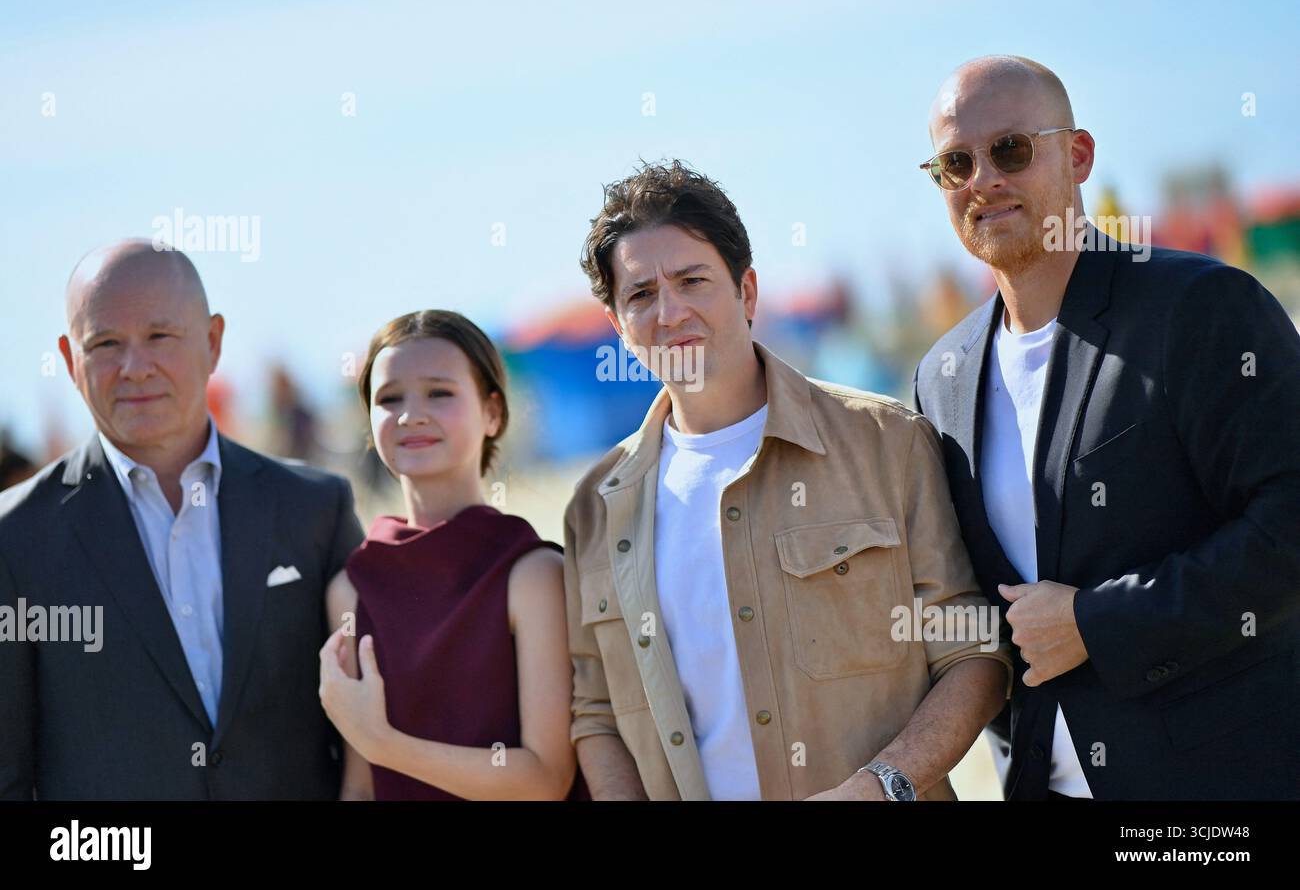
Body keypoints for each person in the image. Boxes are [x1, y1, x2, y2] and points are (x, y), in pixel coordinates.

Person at [913, 56, 1300, 799]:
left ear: (1078, 154)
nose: (982, 179)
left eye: (1012, 150)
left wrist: (1099, 620)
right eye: (956, 162)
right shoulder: (943, 374)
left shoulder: (1201, 308)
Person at [564, 160, 1012, 800]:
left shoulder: (887, 444)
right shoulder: (594, 506)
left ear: (747, 293)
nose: (670, 311)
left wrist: (882, 787)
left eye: (693, 280)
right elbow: (597, 713)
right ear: (616, 324)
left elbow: (972, 652)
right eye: (639, 294)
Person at [0, 240, 364, 799]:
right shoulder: (15, 538)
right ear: (71, 361)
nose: (134, 367)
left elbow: (363, 731)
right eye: (105, 343)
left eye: (159, 336)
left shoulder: (315, 510)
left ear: (213, 342)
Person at [319, 310, 583, 800]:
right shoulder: (351, 589)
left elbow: (545, 779)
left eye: (439, 392)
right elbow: (360, 788)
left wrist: (383, 743)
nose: (410, 414)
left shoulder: (532, 574)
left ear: (493, 412)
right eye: (388, 398)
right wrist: (372, 749)